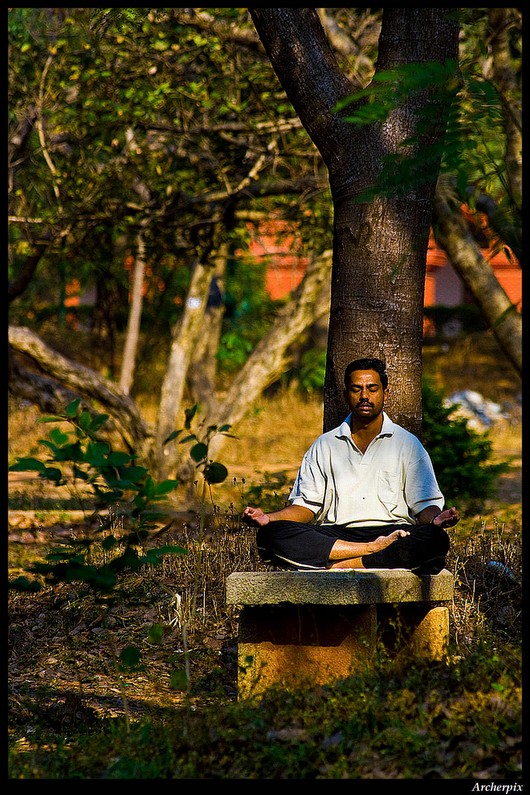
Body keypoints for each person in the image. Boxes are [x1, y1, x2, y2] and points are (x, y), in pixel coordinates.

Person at [242, 357, 459, 575]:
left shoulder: (407, 443)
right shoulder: (325, 444)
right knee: (270, 535)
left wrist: (435, 519)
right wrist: (268, 518)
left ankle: (343, 564)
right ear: (347, 394)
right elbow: (305, 507)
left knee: (434, 539)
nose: (364, 396)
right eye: (356, 389)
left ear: (386, 393)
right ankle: (369, 552)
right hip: (336, 536)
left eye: (372, 389)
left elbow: (424, 505)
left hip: (394, 533)